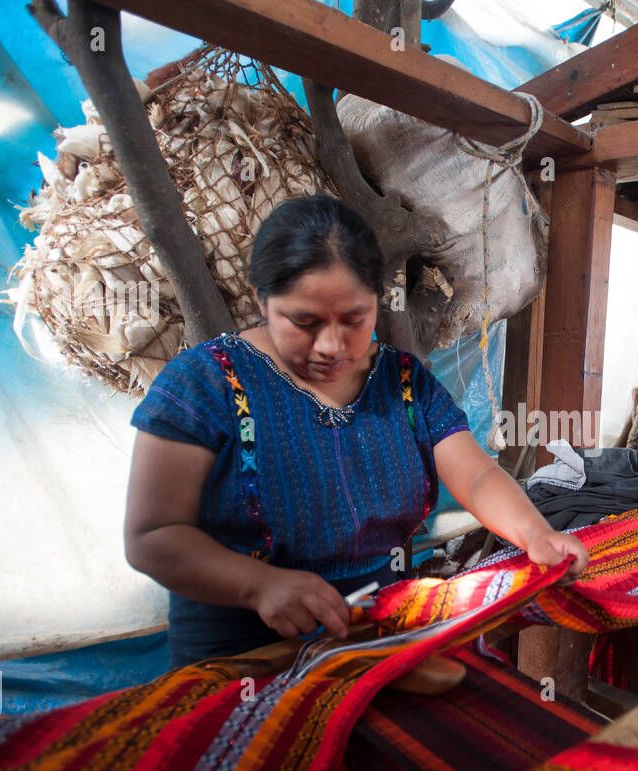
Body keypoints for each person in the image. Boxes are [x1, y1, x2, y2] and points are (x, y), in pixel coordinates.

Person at [125, 194, 588, 668]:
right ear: (261, 299)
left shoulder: (404, 382)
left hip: (372, 632)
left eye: (354, 319)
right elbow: (153, 534)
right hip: (240, 655)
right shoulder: (202, 384)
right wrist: (259, 586)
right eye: (303, 321)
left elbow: (475, 477)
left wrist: (534, 534)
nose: (331, 345)